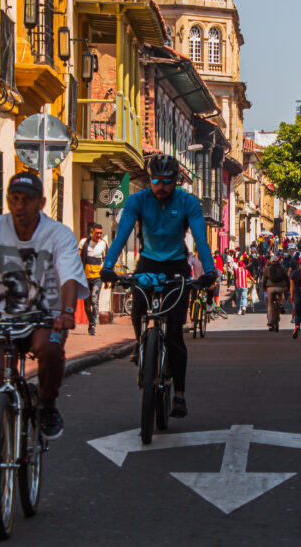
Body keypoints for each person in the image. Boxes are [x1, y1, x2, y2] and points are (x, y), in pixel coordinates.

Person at [0, 172, 87, 494]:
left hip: (45, 317)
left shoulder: (58, 234)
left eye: (26, 200)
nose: (19, 206)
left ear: (40, 202)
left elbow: (67, 275)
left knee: (50, 351)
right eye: (13, 199)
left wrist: (65, 313)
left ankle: (47, 404)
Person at [100, 154, 217, 418]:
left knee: (175, 334)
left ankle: (179, 395)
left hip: (177, 267)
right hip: (148, 263)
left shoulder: (189, 202)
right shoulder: (137, 200)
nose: (161, 186)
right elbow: (121, 236)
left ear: (176, 181)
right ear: (149, 179)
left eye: (167, 181)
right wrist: (107, 267)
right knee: (138, 310)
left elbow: (201, 239)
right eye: (155, 180)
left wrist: (209, 271)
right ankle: (140, 342)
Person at [78, 222, 107, 336]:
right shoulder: (84, 243)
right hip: (85, 277)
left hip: (97, 278)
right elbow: (79, 258)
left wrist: (106, 277)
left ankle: (93, 325)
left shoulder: (104, 245)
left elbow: (105, 260)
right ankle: (91, 321)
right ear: (92, 232)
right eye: (97, 233)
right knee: (87, 303)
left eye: (100, 233)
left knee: (94, 300)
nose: (99, 235)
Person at [262, 254, 290, 330]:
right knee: (281, 296)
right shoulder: (282, 268)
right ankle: (280, 304)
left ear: (270, 262)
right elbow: (287, 278)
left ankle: (270, 322)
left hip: (270, 288)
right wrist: (288, 286)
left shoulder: (268, 269)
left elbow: (264, 279)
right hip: (280, 287)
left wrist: (264, 287)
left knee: (270, 304)